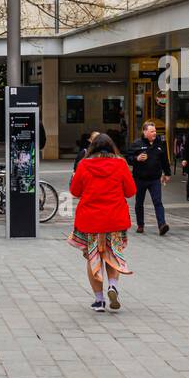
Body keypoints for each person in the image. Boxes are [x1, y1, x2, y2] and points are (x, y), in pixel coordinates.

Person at [69, 133, 136, 312]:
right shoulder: (121, 164)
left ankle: (99, 301)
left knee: (93, 256)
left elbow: (75, 191)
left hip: (91, 220)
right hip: (114, 219)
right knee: (112, 254)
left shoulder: (84, 164)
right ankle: (112, 285)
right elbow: (130, 191)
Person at [127, 119, 171, 234]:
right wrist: (136, 158)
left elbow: (164, 160)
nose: (154, 133)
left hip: (155, 179)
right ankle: (140, 225)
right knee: (139, 202)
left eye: (155, 131)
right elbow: (128, 158)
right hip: (140, 179)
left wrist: (167, 173)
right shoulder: (137, 144)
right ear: (145, 132)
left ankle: (162, 225)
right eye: (152, 131)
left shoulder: (159, 143)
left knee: (158, 201)